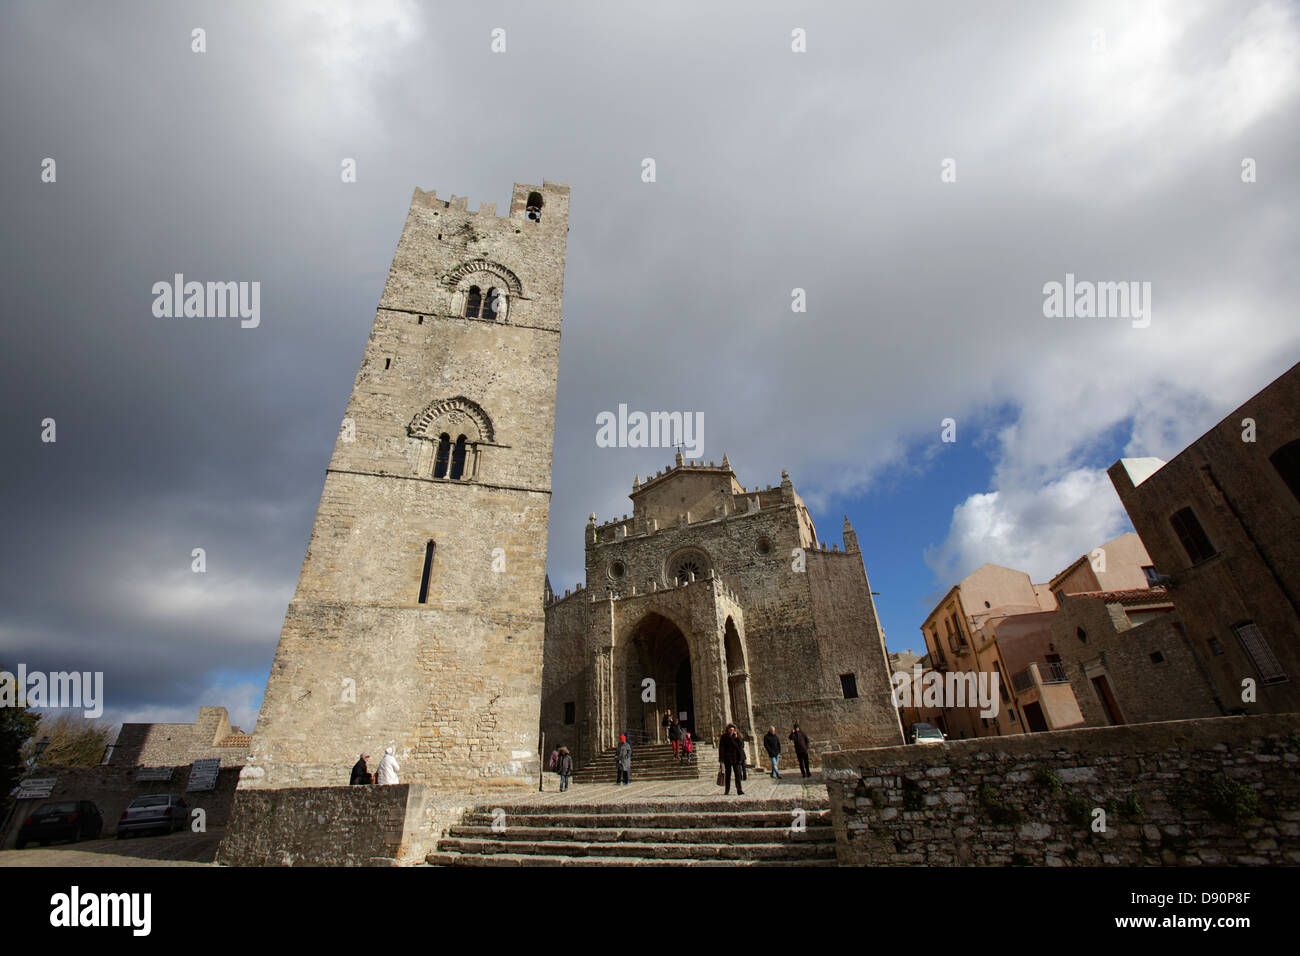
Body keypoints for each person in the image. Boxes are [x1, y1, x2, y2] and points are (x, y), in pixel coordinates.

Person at [719, 723, 744, 795]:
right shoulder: (724, 737)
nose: (732, 731)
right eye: (730, 730)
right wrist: (721, 758)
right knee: (728, 775)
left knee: (738, 775)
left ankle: (739, 790)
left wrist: (737, 738)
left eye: (733, 730)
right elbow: (721, 748)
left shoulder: (737, 737)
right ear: (728, 730)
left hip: (736, 758)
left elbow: (740, 746)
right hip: (728, 758)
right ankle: (727, 790)